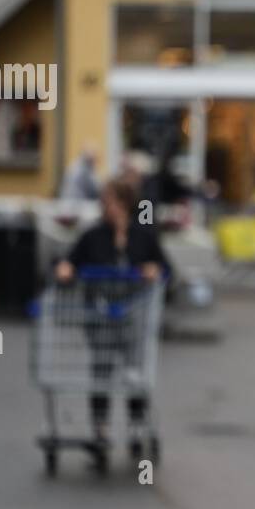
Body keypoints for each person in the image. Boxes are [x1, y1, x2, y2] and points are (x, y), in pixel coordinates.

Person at [55, 176, 170, 445]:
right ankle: (100, 425)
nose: (105, 207)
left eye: (110, 201)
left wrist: (155, 270)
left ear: (124, 204)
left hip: (135, 316)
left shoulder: (143, 237)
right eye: (104, 202)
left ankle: (137, 423)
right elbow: (69, 262)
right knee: (101, 369)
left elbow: (166, 269)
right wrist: (65, 269)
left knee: (135, 372)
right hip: (100, 315)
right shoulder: (93, 236)